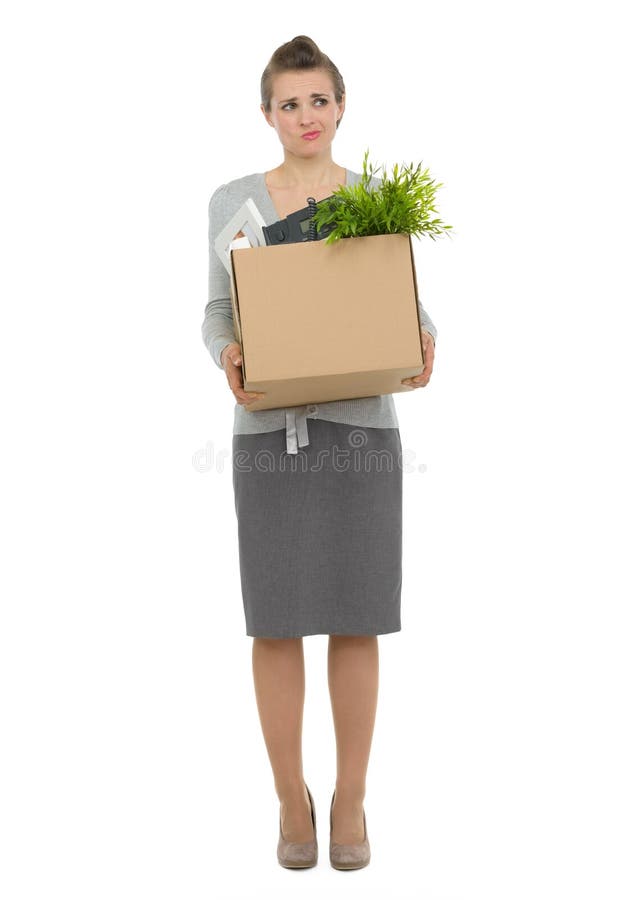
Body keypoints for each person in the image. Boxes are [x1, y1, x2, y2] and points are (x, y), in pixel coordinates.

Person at [202, 35, 437, 870]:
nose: (305, 115)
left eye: (318, 100)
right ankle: (288, 798)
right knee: (275, 623)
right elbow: (217, 310)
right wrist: (227, 352)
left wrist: (421, 335)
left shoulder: (374, 197)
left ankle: (351, 797)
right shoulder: (234, 201)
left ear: (341, 107)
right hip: (270, 436)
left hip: (361, 431)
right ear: (266, 113)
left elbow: (398, 294)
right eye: (288, 103)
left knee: (356, 614)